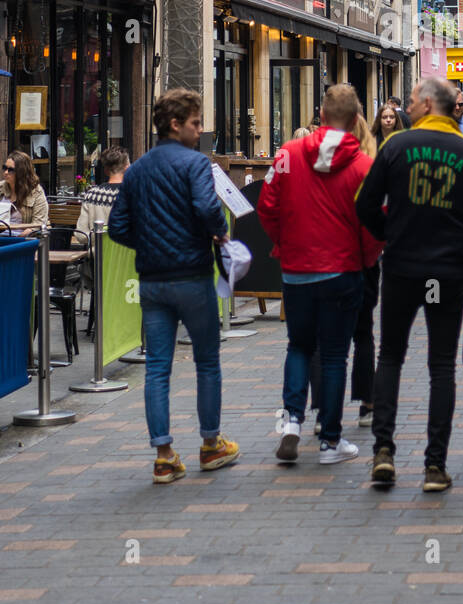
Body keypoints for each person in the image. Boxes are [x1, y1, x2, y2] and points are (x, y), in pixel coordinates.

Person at [355, 76, 463, 492]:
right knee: (440, 365)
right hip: (445, 272)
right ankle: (434, 466)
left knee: (390, 357)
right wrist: (461, 229)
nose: (407, 107)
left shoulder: (395, 148)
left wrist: (390, 232)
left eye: (412, 101)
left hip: (403, 268)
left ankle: (383, 451)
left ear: (424, 103)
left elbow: (364, 204)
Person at [108, 89, 238, 484]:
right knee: (207, 362)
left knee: (158, 369)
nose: (200, 130)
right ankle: (211, 444)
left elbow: (117, 227)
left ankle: (164, 456)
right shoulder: (196, 164)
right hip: (193, 277)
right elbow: (205, 207)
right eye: (196, 123)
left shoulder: (138, 170)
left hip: (152, 282)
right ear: (175, 124)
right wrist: (217, 233)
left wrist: (148, 244)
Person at [257, 84, 383, 465]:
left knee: (298, 346)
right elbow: (375, 223)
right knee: (334, 356)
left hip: (296, 271)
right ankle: (331, 441)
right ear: (357, 119)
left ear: (322, 116)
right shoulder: (364, 165)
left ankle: (293, 421)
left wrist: (285, 242)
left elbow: (266, 206)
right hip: (343, 271)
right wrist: (365, 259)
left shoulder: (287, 154)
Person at [72, 146, 130, 289]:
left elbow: (81, 235)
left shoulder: (92, 195)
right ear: (127, 167)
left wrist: (97, 240)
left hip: (98, 263)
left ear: (105, 170)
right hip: (129, 265)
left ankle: (95, 310)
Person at [2, 150, 49, 227]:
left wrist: (27, 232)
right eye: (4, 168)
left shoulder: (36, 192)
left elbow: (39, 222)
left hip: (24, 237)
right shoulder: (1, 188)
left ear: (21, 172)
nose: (6, 172)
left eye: (10, 170)